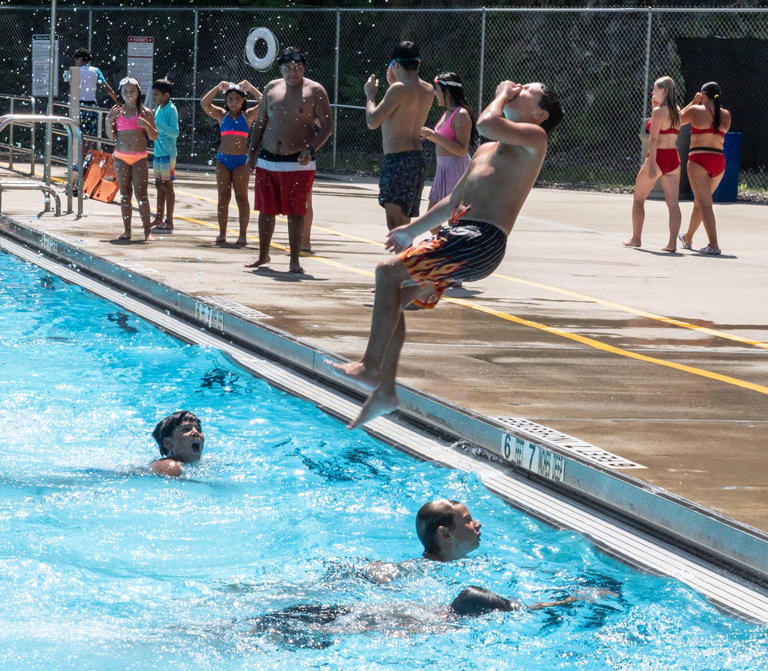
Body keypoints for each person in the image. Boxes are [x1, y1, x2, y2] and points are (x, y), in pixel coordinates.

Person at [327, 80, 563, 428]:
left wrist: (500, 94)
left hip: (481, 239)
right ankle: (385, 392)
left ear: (539, 113)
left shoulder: (534, 139)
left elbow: (485, 124)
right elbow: (452, 202)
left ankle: (370, 367)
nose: (518, 87)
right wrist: (411, 230)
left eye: (527, 89)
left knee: (386, 271)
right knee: (395, 295)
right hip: (459, 234)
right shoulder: (485, 152)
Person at [245, 47, 333, 273]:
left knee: (296, 211)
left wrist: (311, 150)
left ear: (304, 68)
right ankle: (263, 255)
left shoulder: (315, 91)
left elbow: (327, 128)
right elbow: (260, 123)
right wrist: (252, 153)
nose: (293, 72)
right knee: (266, 210)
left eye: (298, 67)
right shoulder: (272, 87)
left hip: (298, 161)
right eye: (288, 68)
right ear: (281, 69)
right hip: (267, 157)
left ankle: (294, 260)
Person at [365, 41, 435, 230]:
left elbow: (372, 121)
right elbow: (404, 107)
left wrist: (370, 95)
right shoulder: (428, 89)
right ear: (418, 64)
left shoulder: (397, 90)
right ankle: (403, 258)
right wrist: (394, 84)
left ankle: (402, 259)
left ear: (395, 64)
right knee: (404, 220)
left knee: (395, 223)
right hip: (416, 159)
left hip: (397, 159)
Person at [623, 76, 681, 252]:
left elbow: (654, 139)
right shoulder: (677, 111)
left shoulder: (658, 112)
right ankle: (672, 244)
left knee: (639, 198)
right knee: (673, 204)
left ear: (662, 91)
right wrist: (655, 106)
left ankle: (636, 238)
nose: (652, 92)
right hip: (673, 157)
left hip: (659, 156)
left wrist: (653, 165)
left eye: (655, 89)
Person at [200, 80, 262, 245]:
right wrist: (217, 87)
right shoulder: (221, 115)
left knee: (241, 197)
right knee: (223, 197)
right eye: (230, 99)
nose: (233, 102)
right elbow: (204, 103)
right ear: (226, 101)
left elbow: (264, 104)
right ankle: (222, 233)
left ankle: (242, 235)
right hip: (223, 160)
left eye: (237, 99)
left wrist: (251, 88)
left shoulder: (248, 116)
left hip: (241, 161)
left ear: (243, 101)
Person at [679, 81, 732, 255]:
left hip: (699, 160)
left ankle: (714, 245)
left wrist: (693, 104)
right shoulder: (726, 115)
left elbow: (676, 121)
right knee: (700, 204)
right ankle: (687, 239)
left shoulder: (695, 111)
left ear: (703, 94)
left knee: (705, 204)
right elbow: (713, 120)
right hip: (718, 161)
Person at [106, 77, 158, 242]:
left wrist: (147, 125)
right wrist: (109, 120)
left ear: (138, 93)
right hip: (121, 157)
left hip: (139, 158)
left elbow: (154, 136)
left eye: (132, 91)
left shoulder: (145, 112)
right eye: (126, 91)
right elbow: (112, 135)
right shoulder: (116, 111)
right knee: (124, 195)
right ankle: (127, 230)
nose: (129, 94)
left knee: (141, 195)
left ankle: (147, 232)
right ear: (121, 93)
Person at [420, 72, 477, 212]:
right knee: (432, 219)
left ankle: (450, 235)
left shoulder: (461, 114)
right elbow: (442, 139)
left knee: (453, 221)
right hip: (442, 169)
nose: (435, 94)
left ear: (448, 93)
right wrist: (428, 136)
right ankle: (445, 235)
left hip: (457, 170)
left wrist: (435, 136)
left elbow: (462, 150)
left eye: (437, 90)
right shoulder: (447, 112)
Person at [71, 47, 118, 152]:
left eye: (76, 59)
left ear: (79, 59)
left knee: (79, 132)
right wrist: (117, 100)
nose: (75, 61)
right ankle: (90, 157)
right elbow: (107, 88)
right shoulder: (96, 70)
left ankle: (80, 159)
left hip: (79, 105)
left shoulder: (75, 71)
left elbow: (72, 90)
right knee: (91, 133)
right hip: (92, 105)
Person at [149, 78, 179, 233]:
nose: (154, 97)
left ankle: (170, 220)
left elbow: (175, 132)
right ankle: (159, 217)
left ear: (166, 95)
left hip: (168, 154)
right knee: (159, 185)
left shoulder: (170, 109)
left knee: (167, 187)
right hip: (159, 153)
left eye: (156, 95)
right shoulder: (159, 108)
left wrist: (157, 124)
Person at [150, 411, 205, 476]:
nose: (196, 432)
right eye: (186, 429)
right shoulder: (170, 466)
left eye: (199, 429)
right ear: (168, 444)